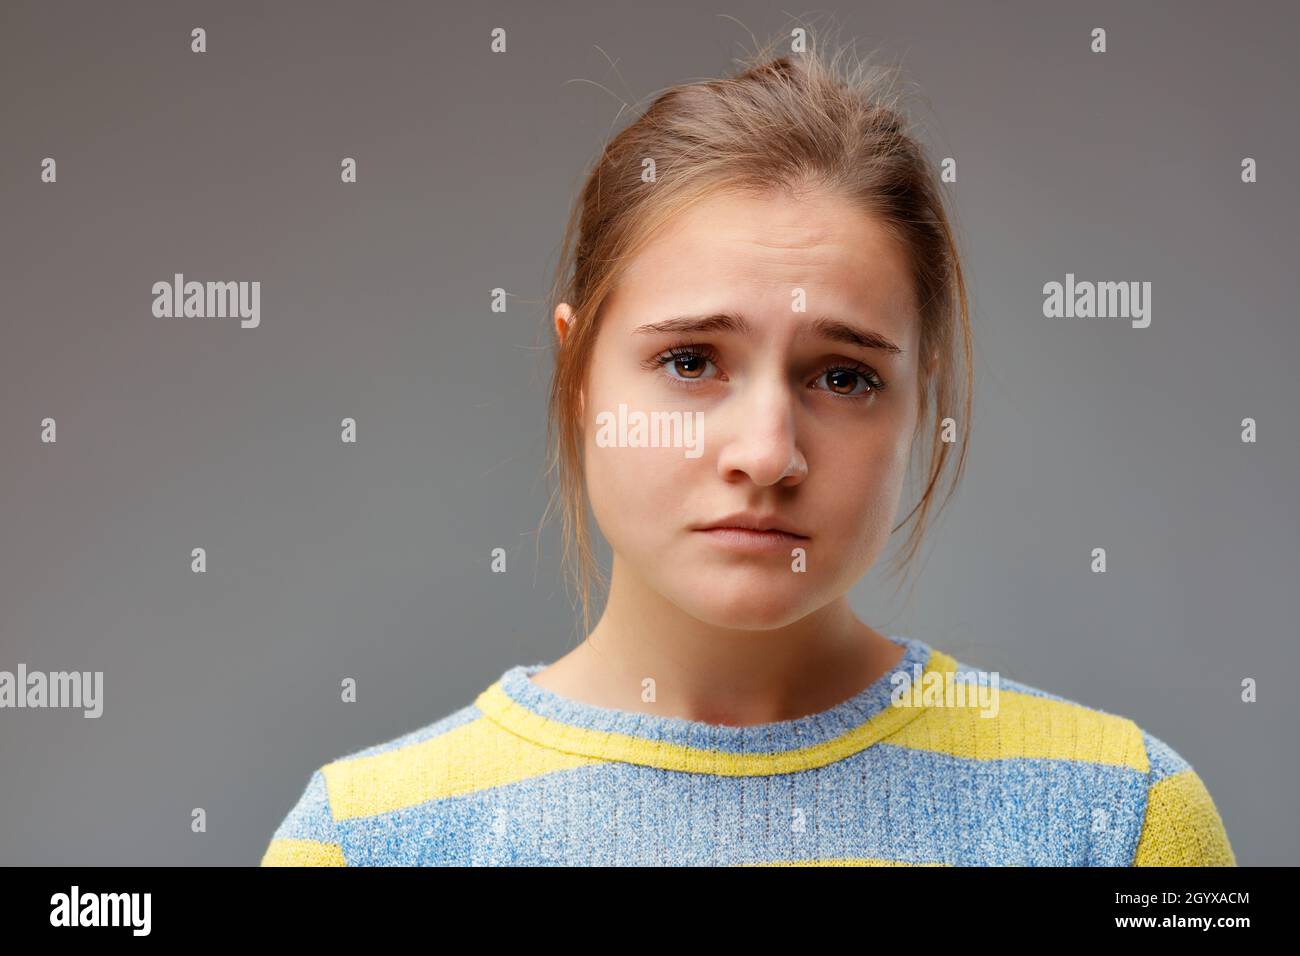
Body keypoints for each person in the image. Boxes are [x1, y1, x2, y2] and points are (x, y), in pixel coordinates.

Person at [260, 34, 1234, 867]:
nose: (767, 452)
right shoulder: (364, 842)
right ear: (578, 375)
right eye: (691, 360)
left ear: (919, 398)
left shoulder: (1120, 822)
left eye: (843, 376)